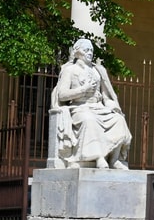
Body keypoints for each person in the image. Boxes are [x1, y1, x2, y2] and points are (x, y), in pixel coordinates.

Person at [50, 38, 132, 169]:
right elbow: (62, 94)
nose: (90, 53)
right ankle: (98, 157)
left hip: (98, 107)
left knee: (118, 119)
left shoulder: (98, 71)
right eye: (86, 50)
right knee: (89, 119)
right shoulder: (70, 70)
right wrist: (83, 90)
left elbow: (106, 97)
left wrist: (113, 106)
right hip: (79, 107)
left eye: (91, 50)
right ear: (78, 52)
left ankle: (114, 159)